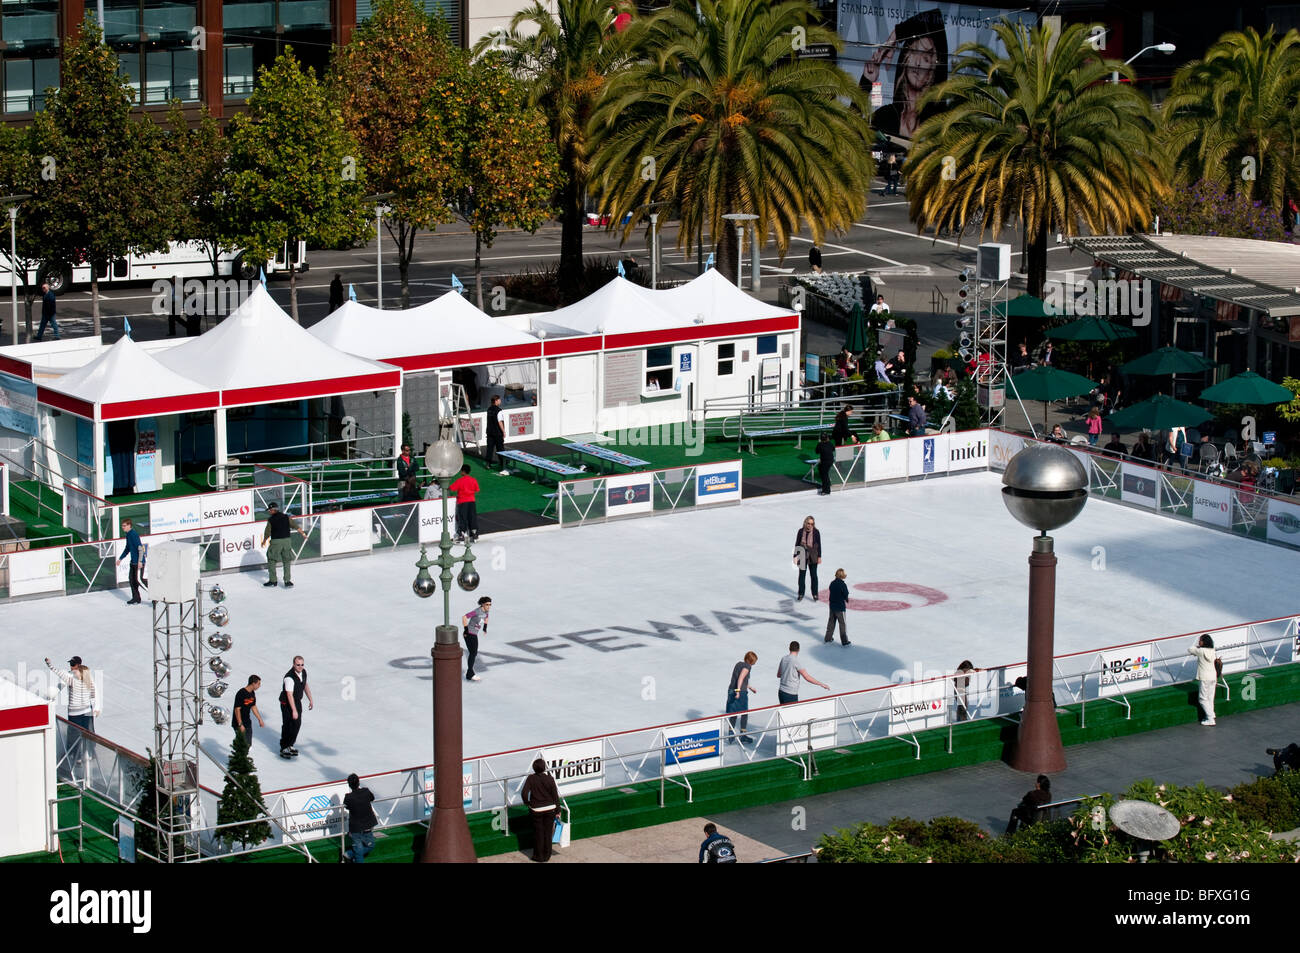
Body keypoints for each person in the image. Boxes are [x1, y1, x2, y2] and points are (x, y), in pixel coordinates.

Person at [859, 9, 948, 141]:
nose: (917, 63)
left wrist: (896, 34)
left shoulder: (938, 125)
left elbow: (936, 18)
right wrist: (866, 82)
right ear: (905, 57)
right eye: (915, 52)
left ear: (933, 69)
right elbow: (850, 131)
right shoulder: (886, 116)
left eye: (926, 58)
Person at [45, 656, 97, 765]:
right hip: (87, 710)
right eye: (71, 664)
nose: (71, 666)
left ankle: (79, 755)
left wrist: (49, 664)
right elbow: (93, 691)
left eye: (73, 665)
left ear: (78, 665)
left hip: (75, 712)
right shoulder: (87, 676)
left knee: (76, 734)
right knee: (88, 732)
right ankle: (87, 754)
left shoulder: (70, 678)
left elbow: (58, 672)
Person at [520, 758, 561, 862]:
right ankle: (547, 855)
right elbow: (555, 796)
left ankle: (538, 856)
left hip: (536, 810)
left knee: (538, 833)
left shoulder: (531, 778)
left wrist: (527, 803)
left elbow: (524, 793)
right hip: (550, 809)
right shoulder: (550, 779)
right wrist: (558, 810)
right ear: (544, 768)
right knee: (548, 832)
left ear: (534, 768)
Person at [261, 501, 307, 589]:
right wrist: (303, 534)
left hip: (276, 542)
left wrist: (264, 541)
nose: (269, 512)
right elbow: (296, 526)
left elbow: (267, 532)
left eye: (269, 510)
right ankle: (287, 581)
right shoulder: (286, 517)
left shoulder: (271, 520)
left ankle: (273, 581)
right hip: (287, 541)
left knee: (271, 560)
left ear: (272, 510)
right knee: (286, 560)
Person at [278, 655, 313, 760]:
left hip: (297, 701)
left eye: (302, 664)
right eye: (298, 665)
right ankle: (284, 747)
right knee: (288, 724)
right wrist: (294, 710)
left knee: (297, 724)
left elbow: (305, 685)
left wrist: (310, 699)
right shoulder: (289, 677)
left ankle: (290, 744)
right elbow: (289, 695)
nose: (300, 667)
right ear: (293, 665)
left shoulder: (303, 672)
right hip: (287, 703)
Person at [343, 773, 378, 863]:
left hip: (356, 828)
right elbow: (372, 798)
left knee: (367, 847)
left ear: (349, 785)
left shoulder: (348, 797)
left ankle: (349, 854)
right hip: (365, 826)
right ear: (359, 783)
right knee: (364, 848)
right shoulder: (366, 791)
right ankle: (349, 855)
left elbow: (346, 806)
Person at [725, 652, 758, 744]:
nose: (754, 663)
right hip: (740, 692)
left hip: (731, 690)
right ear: (751, 661)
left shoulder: (738, 664)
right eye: (754, 661)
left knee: (733, 713)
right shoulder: (747, 666)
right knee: (744, 713)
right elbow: (740, 678)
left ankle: (731, 736)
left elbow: (740, 679)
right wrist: (738, 691)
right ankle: (743, 735)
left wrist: (750, 688)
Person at [1189, 634, 1218, 726]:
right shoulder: (1213, 650)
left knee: (1202, 699)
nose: (1199, 642)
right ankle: (1211, 714)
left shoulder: (1200, 651)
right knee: (1210, 697)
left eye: (1200, 640)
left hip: (1205, 677)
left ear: (1204, 642)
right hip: (1213, 676)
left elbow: (1190, 649)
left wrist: (1197, 647)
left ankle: (1210, 719)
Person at [461, 595, 491, 682]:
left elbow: (486, 618)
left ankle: (469, 673)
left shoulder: (486, 612)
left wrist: (485, 627)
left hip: (474, 634)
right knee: (473, 653)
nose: (488, 606)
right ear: (482, 604)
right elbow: (464, 617)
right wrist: (466, 629)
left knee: (473, 653)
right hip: (470, 634)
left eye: (490, 604)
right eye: (487, 604)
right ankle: (470, 674)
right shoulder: (477, 611)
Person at [449, 464, 480, 543]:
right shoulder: (473, 480)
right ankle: (474, 534)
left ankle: (462, 535)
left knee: (462, 519)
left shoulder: (460, 481)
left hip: (462, 502)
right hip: (472, 501)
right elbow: (476, 489)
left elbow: (451, 488)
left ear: (463, 471)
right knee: (472, 518)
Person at [793, 516, 821, 602]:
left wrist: (819, 556)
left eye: (812, 524)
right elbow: (797, 543)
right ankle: (801, 593)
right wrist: (795, 556)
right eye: (808, 523)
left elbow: (819, 545)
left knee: (814, 576)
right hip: (802, 553)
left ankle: (815, 594)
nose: (810, 525)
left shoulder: (816, 532)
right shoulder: (801, 531)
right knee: (802, 575)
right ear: (805, 523)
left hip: (813, 555)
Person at [232, 675, 264, 748]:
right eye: (258, 684)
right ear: (253, 683)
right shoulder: (241, 693)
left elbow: (253, 706)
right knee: (241, 745)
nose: (259, 686)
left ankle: (244, 757)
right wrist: (240, 724)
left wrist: (260, 719)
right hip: (238, 723)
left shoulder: (252, 693)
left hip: (247, 722)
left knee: (248, 744)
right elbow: (237, 709)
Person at [118, 518, 143, 605]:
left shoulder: (134, 534)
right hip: (133, 562)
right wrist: (120, 559)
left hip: (138, 562)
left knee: (140, 581)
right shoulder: (128, 535)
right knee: (132, 580)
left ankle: (155, 596)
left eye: (124, 526)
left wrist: (140, 561)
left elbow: (140, 548)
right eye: (122, 526)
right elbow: (127, 548)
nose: (122, 527)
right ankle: (136, 598)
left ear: (129, 525)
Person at [825, 568, 850, 646]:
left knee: (831, 623)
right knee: (842, 624)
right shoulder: (842, 584)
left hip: (832, 606)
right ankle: (844, 641)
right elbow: (846, 593)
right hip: (840, 607)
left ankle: (828, 638)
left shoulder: (832, 583)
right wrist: (846, 599)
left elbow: (831, 590)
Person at [485, 395, 505, 470]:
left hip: (489, 432)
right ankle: (502, 462)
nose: (500, 401)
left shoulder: (489, 409)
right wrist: (503, 431)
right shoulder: (499, 410)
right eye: (499, 400)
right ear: (496, 401)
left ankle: (488, 463)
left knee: (489, 448)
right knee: (500, 448)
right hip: (497, 433)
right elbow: (500, 422)